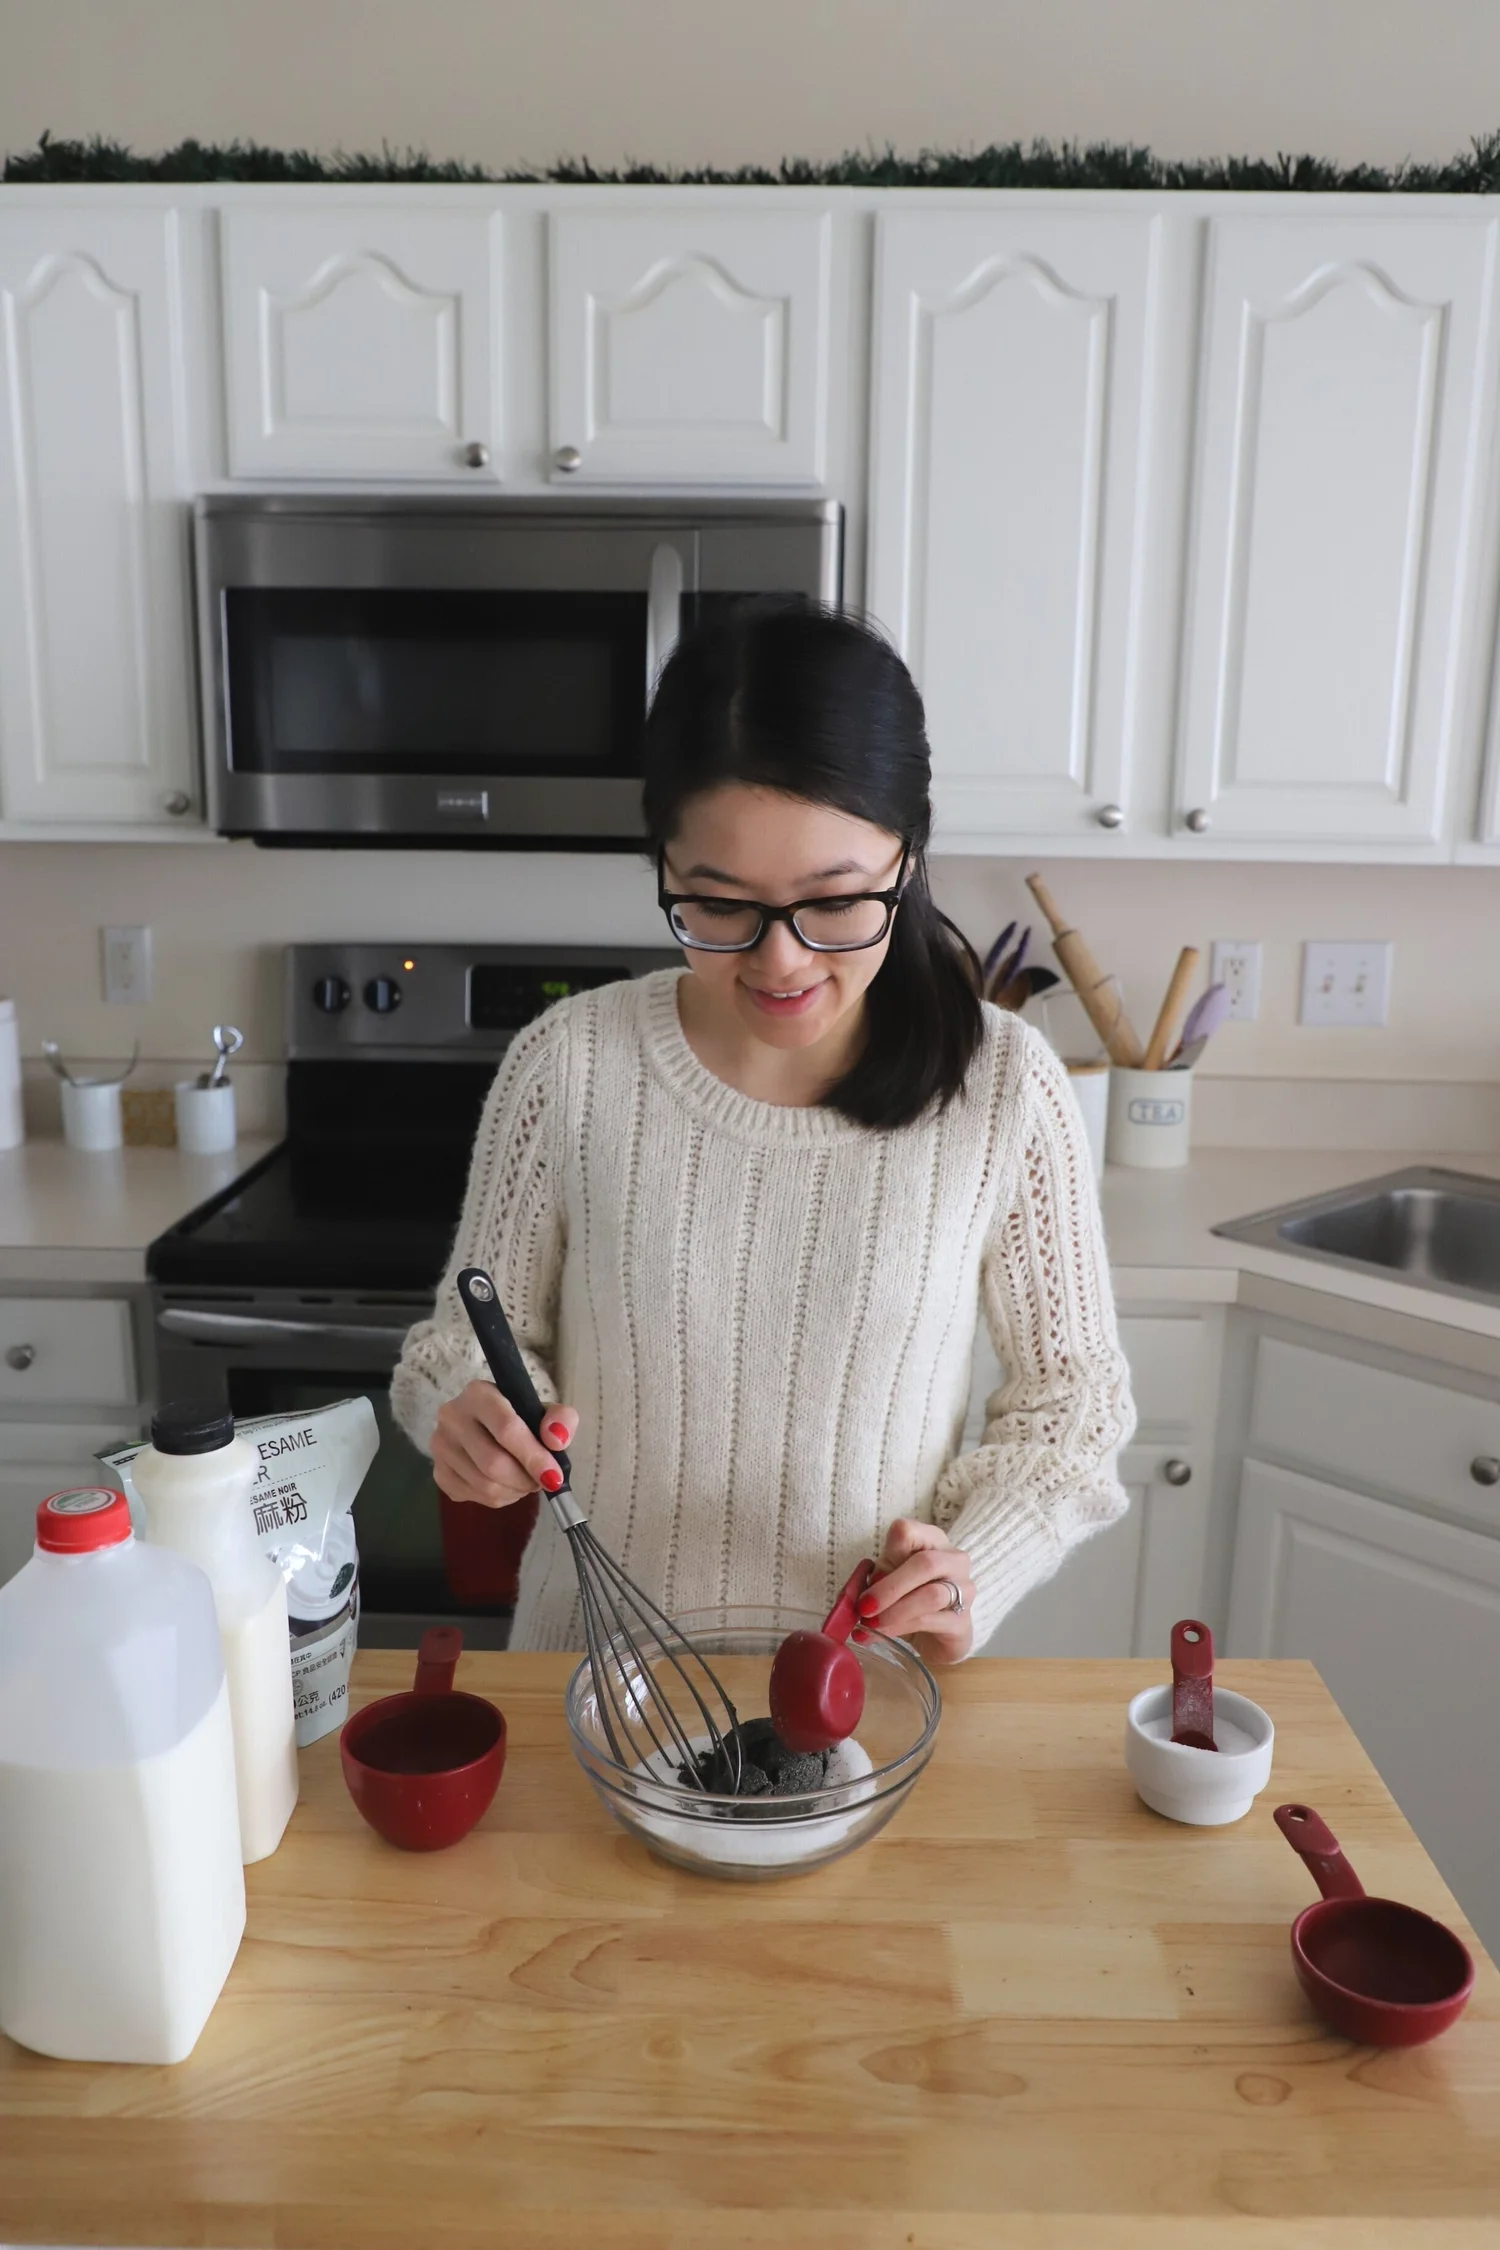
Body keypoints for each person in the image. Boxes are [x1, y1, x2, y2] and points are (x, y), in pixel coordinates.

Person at [392, 601, 1135, 1663]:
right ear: (663, 868)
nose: (780, 963)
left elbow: (1074, 1408)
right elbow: (457, 1343)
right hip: (592, 1679)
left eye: (834, 905)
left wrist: (977, 1566)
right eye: (719, 904)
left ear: (909, 860)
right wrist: (460, 1417)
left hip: (865, 1698)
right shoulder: (569, 1065)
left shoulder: (1004, 1086)